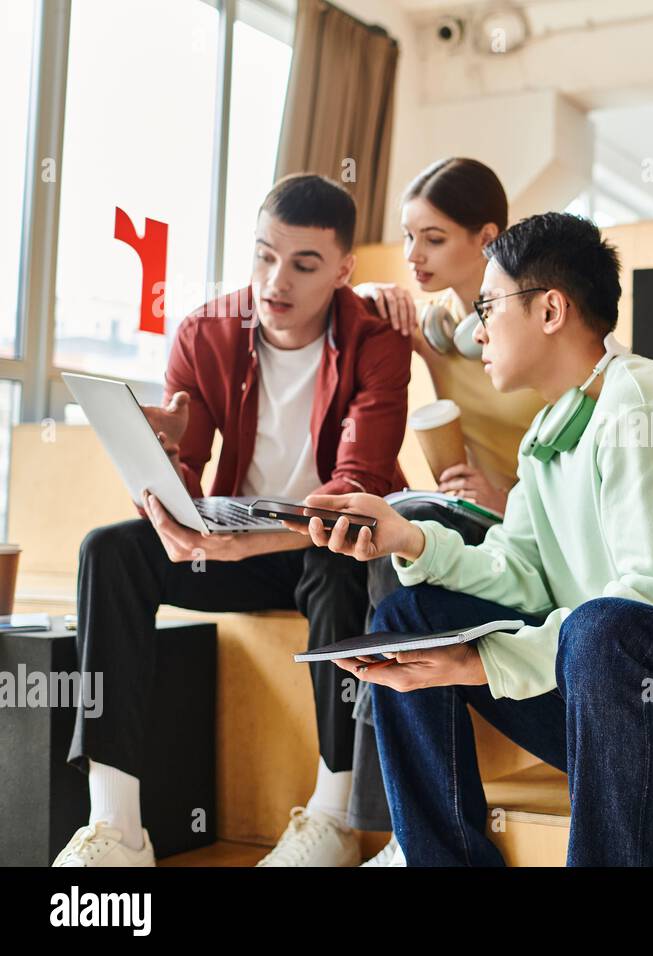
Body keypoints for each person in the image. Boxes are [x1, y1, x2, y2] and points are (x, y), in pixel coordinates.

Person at [284, 211, 653, 866]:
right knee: (409, 619)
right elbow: (518, 573)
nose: (477, 330)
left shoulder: (647, 405)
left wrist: (484, 662)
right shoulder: (548, 432)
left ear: (550, 310)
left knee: (603, 629)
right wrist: (408, 540)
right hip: (620, 709)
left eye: (488, 306)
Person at [54, 174, 411, 867]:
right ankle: (117, 826)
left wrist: (248, 545)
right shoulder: (207, 332)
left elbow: (357, 487)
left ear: (343, 270)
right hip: (231, 546)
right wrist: (165, 463)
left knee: (338, 561)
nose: (276, 281)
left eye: (304, 264)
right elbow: (180, 484)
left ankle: (332, 815)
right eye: (264, 255)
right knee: (108, 551)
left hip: (328, 547)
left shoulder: (375, 342)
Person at [343, 158, 545, 866]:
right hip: (468, 517)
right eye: (407, 238)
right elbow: (353, 309)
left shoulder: (539, 333)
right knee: (385, 534)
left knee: (398, 543)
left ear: (486, 238)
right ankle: (408, 827)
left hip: (531, 526)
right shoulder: (437, 327)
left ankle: (407, 827)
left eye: (433, 239)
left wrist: (509, 498)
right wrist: (370, 291)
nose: (413, 255)